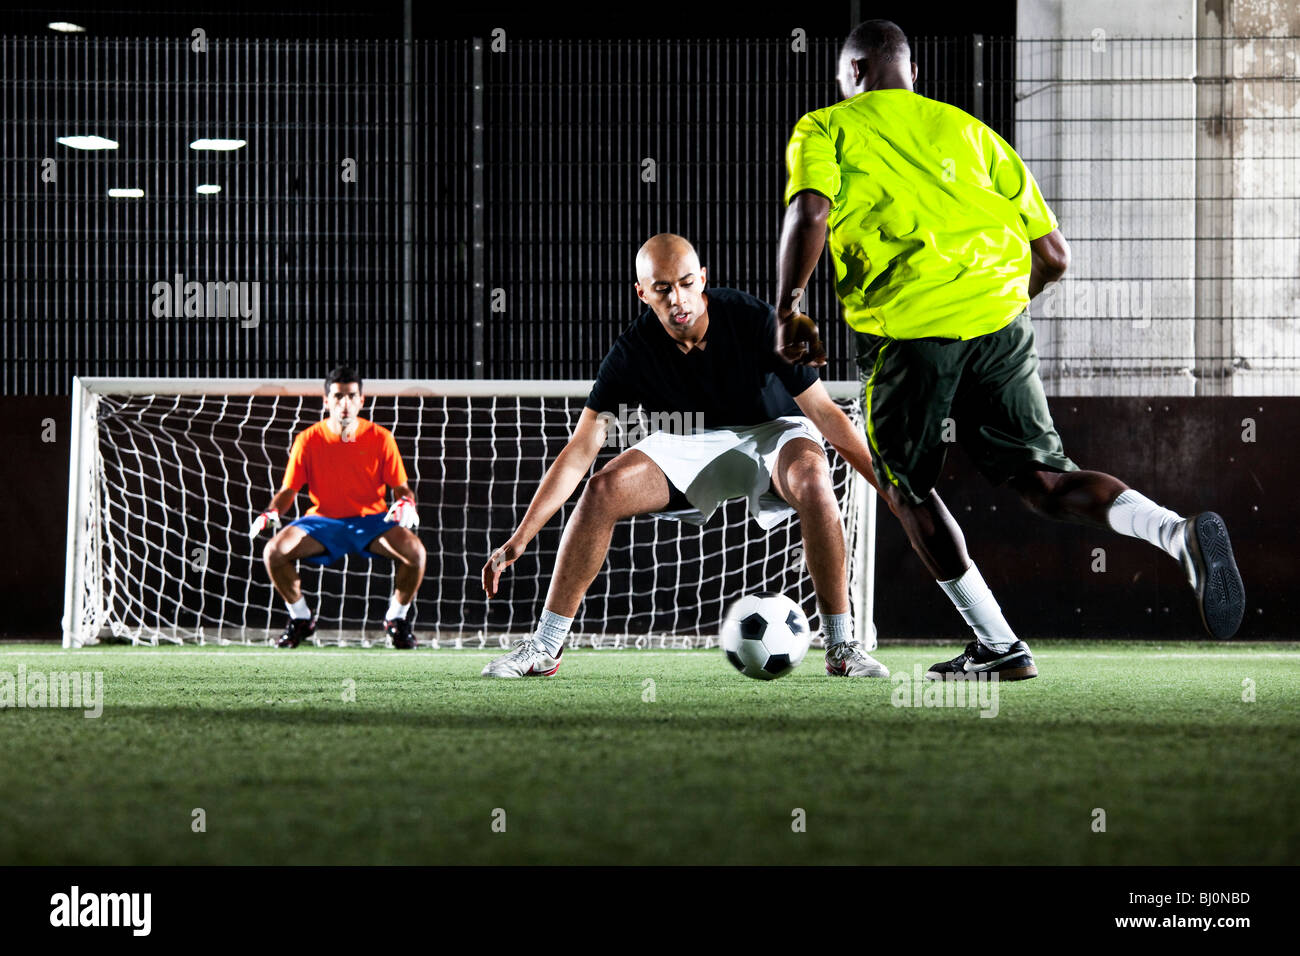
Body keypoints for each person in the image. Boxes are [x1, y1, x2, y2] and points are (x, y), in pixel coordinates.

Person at [774, 20, 1245, 680]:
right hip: (1002, 324)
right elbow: (1054, 256)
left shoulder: (826, 127)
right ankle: (1176, 531)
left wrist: (790, 308)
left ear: (854, 74)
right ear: (913, 75)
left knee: (905, 488)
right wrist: (1000, 305)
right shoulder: (973, 134)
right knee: (1045, 478)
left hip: (909, 332)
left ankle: (998, 644)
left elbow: (813, 212)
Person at [480, 233, 887, 678]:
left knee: (813, 479)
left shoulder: (755, 320)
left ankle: (842, 645)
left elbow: (825, 414)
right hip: (686, 437)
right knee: (603, 488)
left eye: (687, 283)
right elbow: (581, 451)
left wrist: (890, 489)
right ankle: (545, 645)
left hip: (772, 430)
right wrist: (520, 536)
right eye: (662, 289)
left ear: (703, 280)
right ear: (642, 293)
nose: (678, 298)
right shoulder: (631, 353)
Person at [249, 366, 425, 649]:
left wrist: (406, 501)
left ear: (361, 400)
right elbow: (288, 490)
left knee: (416, 553)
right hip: (323, 522)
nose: (345, 403)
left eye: (351, 396)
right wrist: (272, 512)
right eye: (338, 396)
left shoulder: (381, 438)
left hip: (372, 521)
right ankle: (301, 618)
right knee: (273, 552)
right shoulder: (308, 439)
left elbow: (400, 486)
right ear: (326, 400)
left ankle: (396, 619)